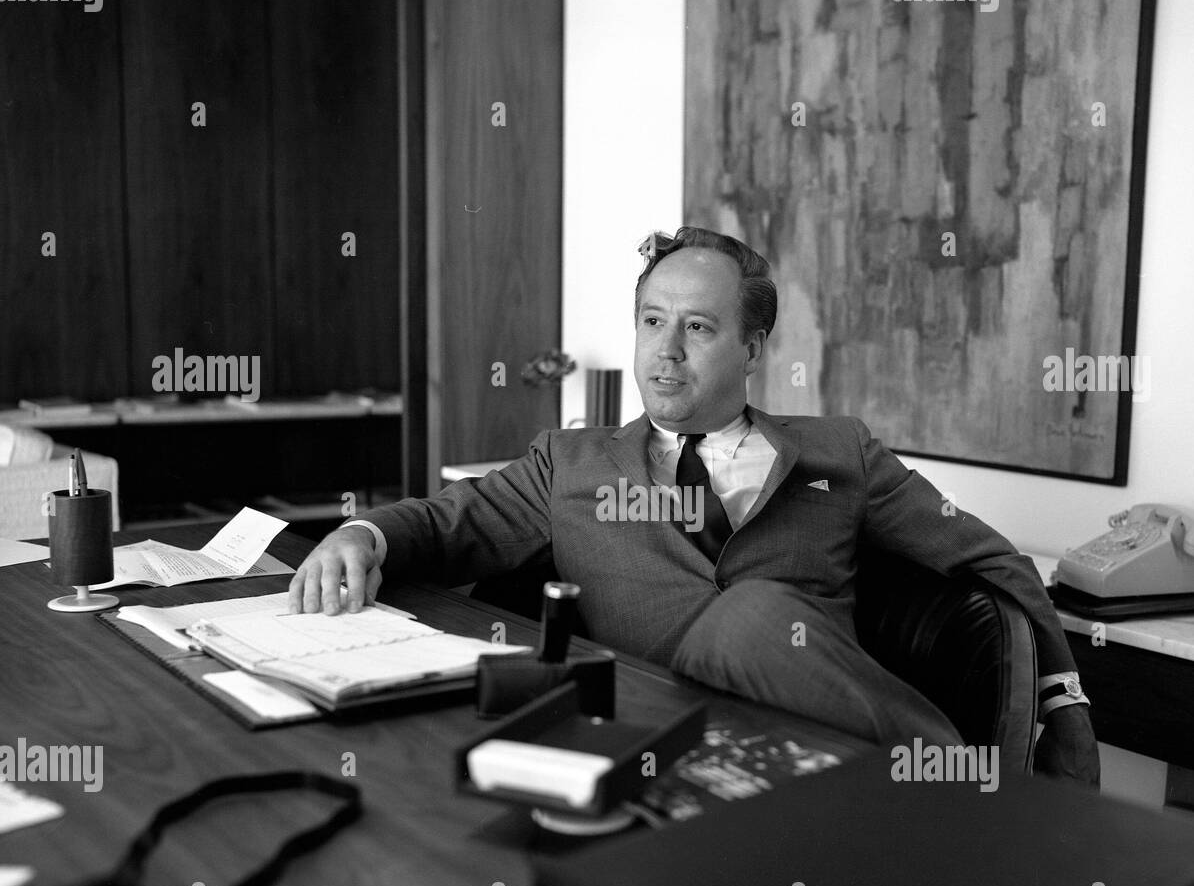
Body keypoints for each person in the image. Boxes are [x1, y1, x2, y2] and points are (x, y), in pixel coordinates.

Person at [289, 227, 1099, 785]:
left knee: (751, 620)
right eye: (651, 322)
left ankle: (956, 783)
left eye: (698, 328)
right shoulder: (569, 462)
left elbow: (988, 557)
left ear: (751, 349)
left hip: (816, 752)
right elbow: (443, 524)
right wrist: (360, 534)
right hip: (651, 756)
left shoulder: (839, 453)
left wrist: (1064, 704)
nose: (665, 352)